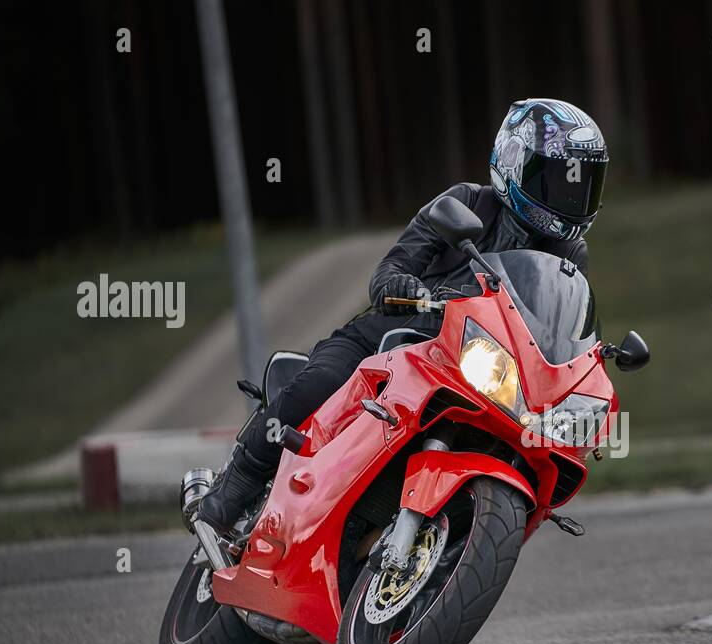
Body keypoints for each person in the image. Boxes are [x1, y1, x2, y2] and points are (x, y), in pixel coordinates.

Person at [198, 98, 609, 534]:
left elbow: (554, 324)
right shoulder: (468, 203)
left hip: (471, 368)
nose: (572, 195)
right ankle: (234, 487)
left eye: (583, 182)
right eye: (559, 180)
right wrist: (403, 287)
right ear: (514, 159)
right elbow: (387, 272)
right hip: (391, 339)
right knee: (318, 384)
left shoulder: (568, 253)